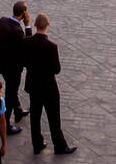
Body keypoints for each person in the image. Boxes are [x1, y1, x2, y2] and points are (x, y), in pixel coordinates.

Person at [24, 13, 77, 155]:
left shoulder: (27, 43)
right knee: (53, 117)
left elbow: (24, 61)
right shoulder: (51, 46)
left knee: (35, 116)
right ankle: (59, 145)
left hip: (33, 85)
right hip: (48, 87)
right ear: (48, 25)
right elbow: (56, 69)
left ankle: (37, 143)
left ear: (35, 25)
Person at [0, 2, 32, 134]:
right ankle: (7, 124)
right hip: (13, 68)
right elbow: (28, 46)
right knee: (10, 93)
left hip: (1, 62)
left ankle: (18, 110)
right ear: (24, 14)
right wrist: (27, 25)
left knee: (12, 89)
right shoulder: (17, 31)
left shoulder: (3, 21)